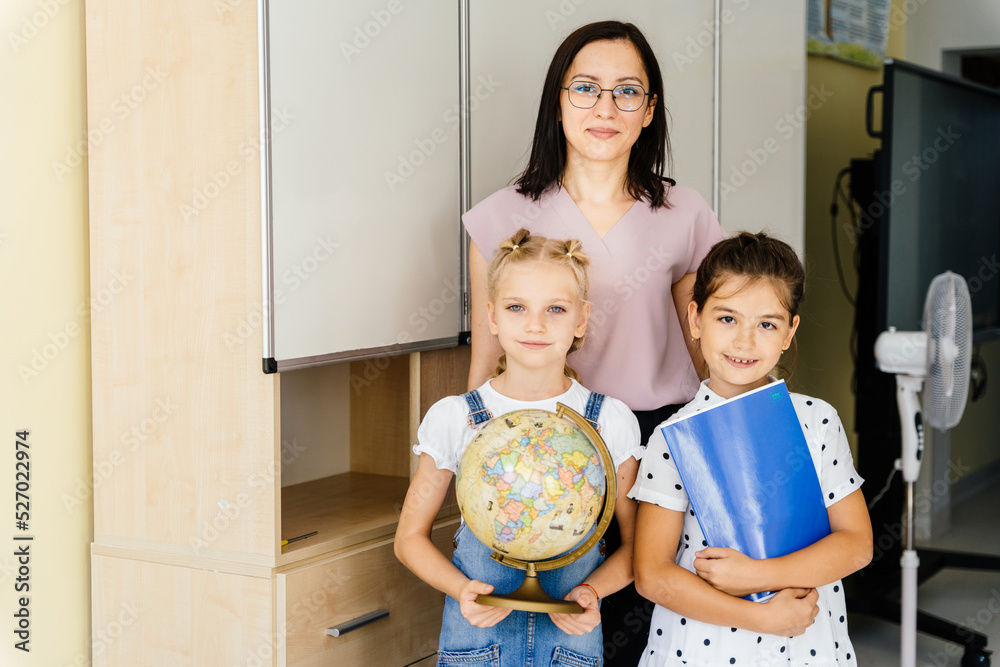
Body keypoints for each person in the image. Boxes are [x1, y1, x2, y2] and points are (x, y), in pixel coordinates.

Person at [462, 21, 727, 662]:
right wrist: (473, 468)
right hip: (543, 445)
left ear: (649, 110)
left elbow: (715, 353)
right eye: (585, 88)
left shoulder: (685, 213)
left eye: (626, 91)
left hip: (661, 443)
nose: (605, 108)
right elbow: (484, 356)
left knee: (651, 626)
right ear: (558, 100)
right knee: (557, 630)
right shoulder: (501, 216)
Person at [395, 229, 642, 666]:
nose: (535, 324)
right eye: (516, 308)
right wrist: (460, 590)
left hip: (570, 647)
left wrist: (593, 591)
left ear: (582, 319)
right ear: (491, 317)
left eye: (556, 310)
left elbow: (638, 546)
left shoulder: (610, 421)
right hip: (477, 642)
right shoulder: (455, 418)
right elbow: (409, 539)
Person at [629, 232, 874, 666]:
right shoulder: (671, 437)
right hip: (699, 647)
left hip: (806, 644)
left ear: (789, 331)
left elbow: (856, 546)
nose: (744, 342)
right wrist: (759, 617)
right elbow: (652, 576)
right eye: (727, 318)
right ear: (695, 319)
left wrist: (757, 575)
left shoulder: (816, 421)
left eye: (766, 324)